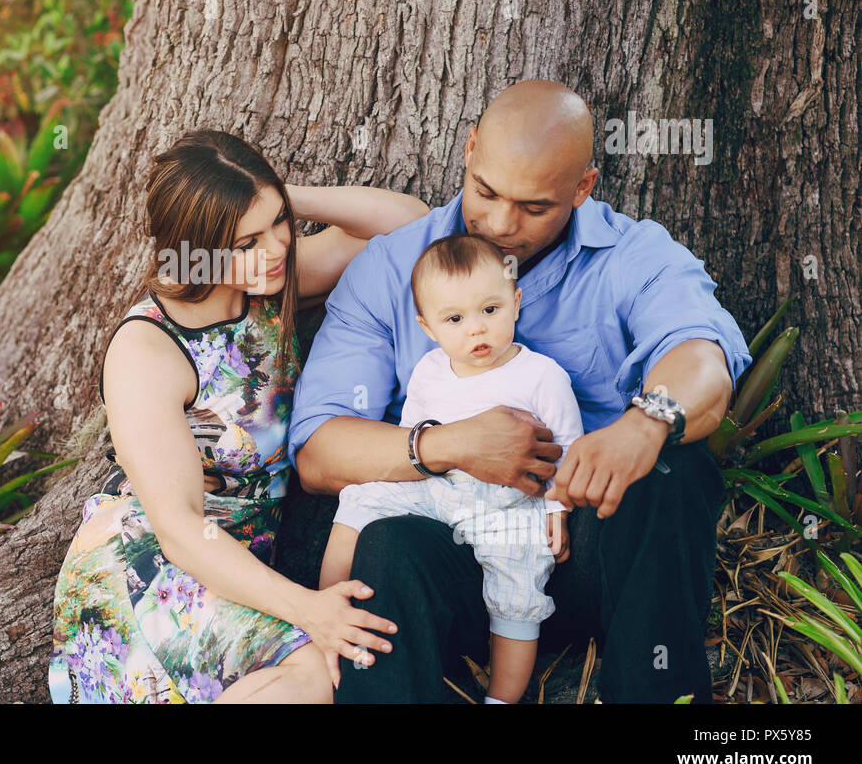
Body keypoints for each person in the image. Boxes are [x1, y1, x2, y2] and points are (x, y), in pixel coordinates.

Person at [290, 79, 752, 703]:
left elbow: (702, 356)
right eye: (486, 192)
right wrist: (451, 446)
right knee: (389, 541)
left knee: (672, 470)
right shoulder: (391, 268)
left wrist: (644, 425)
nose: (503, 224)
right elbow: (319, 452)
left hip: (575, 554)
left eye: (534, 207)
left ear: (583, 188)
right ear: (470, 148)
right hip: (446, 557)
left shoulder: (632, 255)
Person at [47, 129, 431, 702]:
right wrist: (310, 609)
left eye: (280, 223)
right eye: (246, 240)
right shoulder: (149, 346)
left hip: (240, 568)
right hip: (147, 568)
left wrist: (268, 196)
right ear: (197, 247)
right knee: (312, 677)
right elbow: (178, 525)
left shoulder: (269, 288)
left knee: (320, 675)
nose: (276, 247)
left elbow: (409, 222)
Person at [318, 233, 583, 703]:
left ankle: (502, 697)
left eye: (490, 310)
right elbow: (409, 443)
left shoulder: (542, 376)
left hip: (509, 502)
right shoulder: (429, 372)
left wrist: (557, 506)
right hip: (438, 487)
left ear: (515, 302)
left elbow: (566, 444)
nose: (476, 330)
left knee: (518, 583)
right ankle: (332, 607)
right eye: (455, 319)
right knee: (360, 498)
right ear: (428, 327)